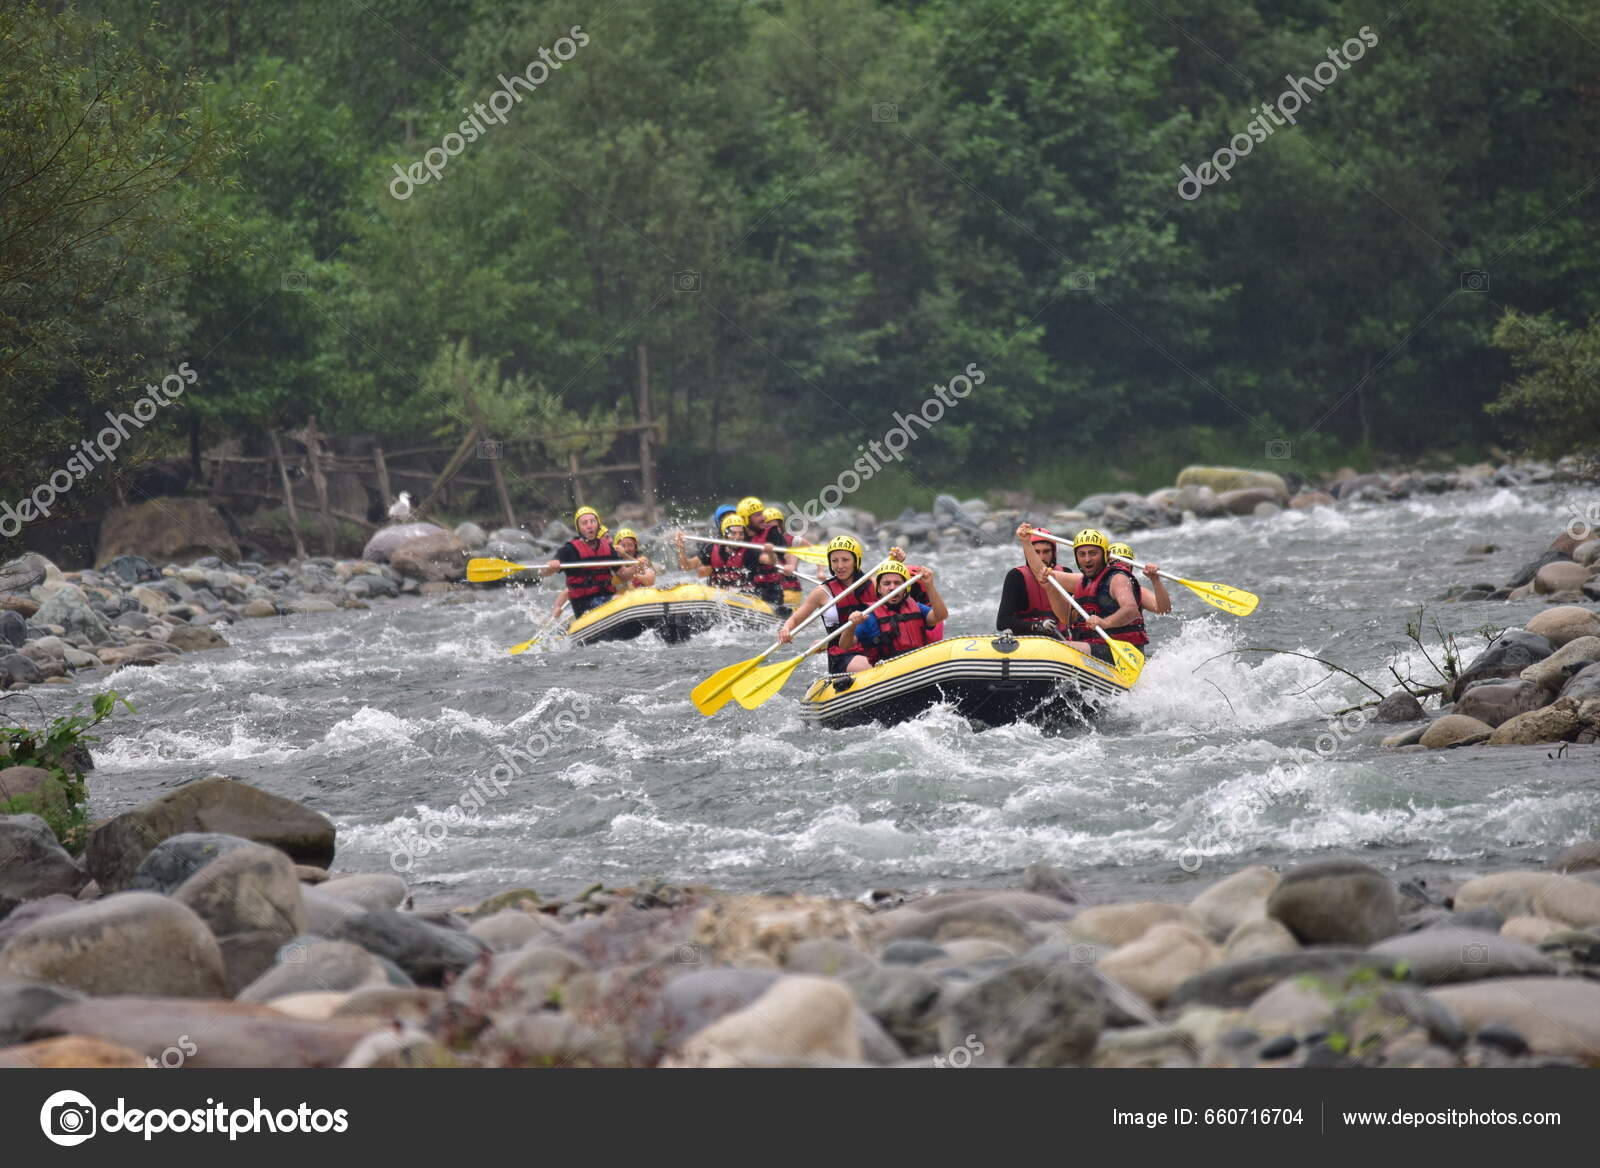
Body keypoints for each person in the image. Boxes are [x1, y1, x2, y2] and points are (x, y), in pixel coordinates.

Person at [1019, 525, 1148, 663]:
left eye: (1093, 553)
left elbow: (1131, 610)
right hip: (1092, 646)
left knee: (1054, 649)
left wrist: (1104, 623)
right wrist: (1026, 543)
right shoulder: (1080, 581)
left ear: (1106, 555)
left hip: (1122, 651)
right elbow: (1041, 572)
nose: (1087, 559)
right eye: (1082, 554)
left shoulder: (1118, 578)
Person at [778, 535, 873, 674]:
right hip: (843, 655)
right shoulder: (822, 592)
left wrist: (897, 562)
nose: (839, 566)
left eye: (845, 560)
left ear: (856, 561)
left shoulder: (873, 584)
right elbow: (795, 619)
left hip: (873, 647)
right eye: (834, 561)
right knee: (876, 666)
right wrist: (786, 629)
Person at [840, 561, 948, 670]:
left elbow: (941, 616)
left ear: (906, 587)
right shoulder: (870, 616)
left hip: (917, 665)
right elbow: (844, 645)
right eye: (886, 583)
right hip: (888, 672)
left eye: (897, 583)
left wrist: (929, 585)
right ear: (879, 589)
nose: (892, 588)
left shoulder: (917, 607)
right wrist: (851, 627)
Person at [541, 506, 634, 618]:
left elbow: (623, 574)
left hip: (607, 597)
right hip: (583, 604)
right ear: (579, 528)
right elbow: (544, 573)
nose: (589, 525)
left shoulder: (608, 548)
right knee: (618, 600)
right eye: (584, 523)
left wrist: (636, 566)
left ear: (598, 525)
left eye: (592, 521)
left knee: (623, 599)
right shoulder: (569, 549)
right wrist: (550, 567)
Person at [995, 527, 1066, 637]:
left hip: (1060, 638)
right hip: (1027, 637)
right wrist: (1036, 626)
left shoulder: (1066, 574)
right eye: (1036, 552)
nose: (1041, 557)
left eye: (1046, 552)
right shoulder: (1016, 577)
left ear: (1053, 553)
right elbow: (1002, 622)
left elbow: (1074, 617)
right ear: (1028, 553)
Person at [675, 511, 755, 589]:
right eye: (733, 533)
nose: (737, 538)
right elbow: (686, 566)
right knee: (703, 570)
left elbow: (765, 560)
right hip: (717, 595)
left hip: (743, 597)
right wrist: (681, 548)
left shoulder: (749, 552)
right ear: (725, 534)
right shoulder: (711, 549)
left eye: (741, 534)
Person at [746, 506, 799, 611]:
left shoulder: (789, 539)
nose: (776, 528)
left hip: (782, 585)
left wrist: (791, 565)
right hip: (759, 585)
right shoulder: (750, 539)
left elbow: (790, 554)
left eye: (778, 524)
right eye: (770, 524)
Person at [1108, 542, 1171, 615]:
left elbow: (1165, 610)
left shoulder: (1138, 592)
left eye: (1127, 564)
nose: (1120, 574)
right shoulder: (1095, 588)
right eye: (1116, 563)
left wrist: (1155, 580)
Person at [761, 507, 805, 606]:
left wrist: (820, 572)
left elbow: (792, 555)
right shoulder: (758, 542)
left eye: (777, 527)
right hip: (769, 589)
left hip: (789, 589)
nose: (775, 531)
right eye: (770, 528)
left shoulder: (792, 540)